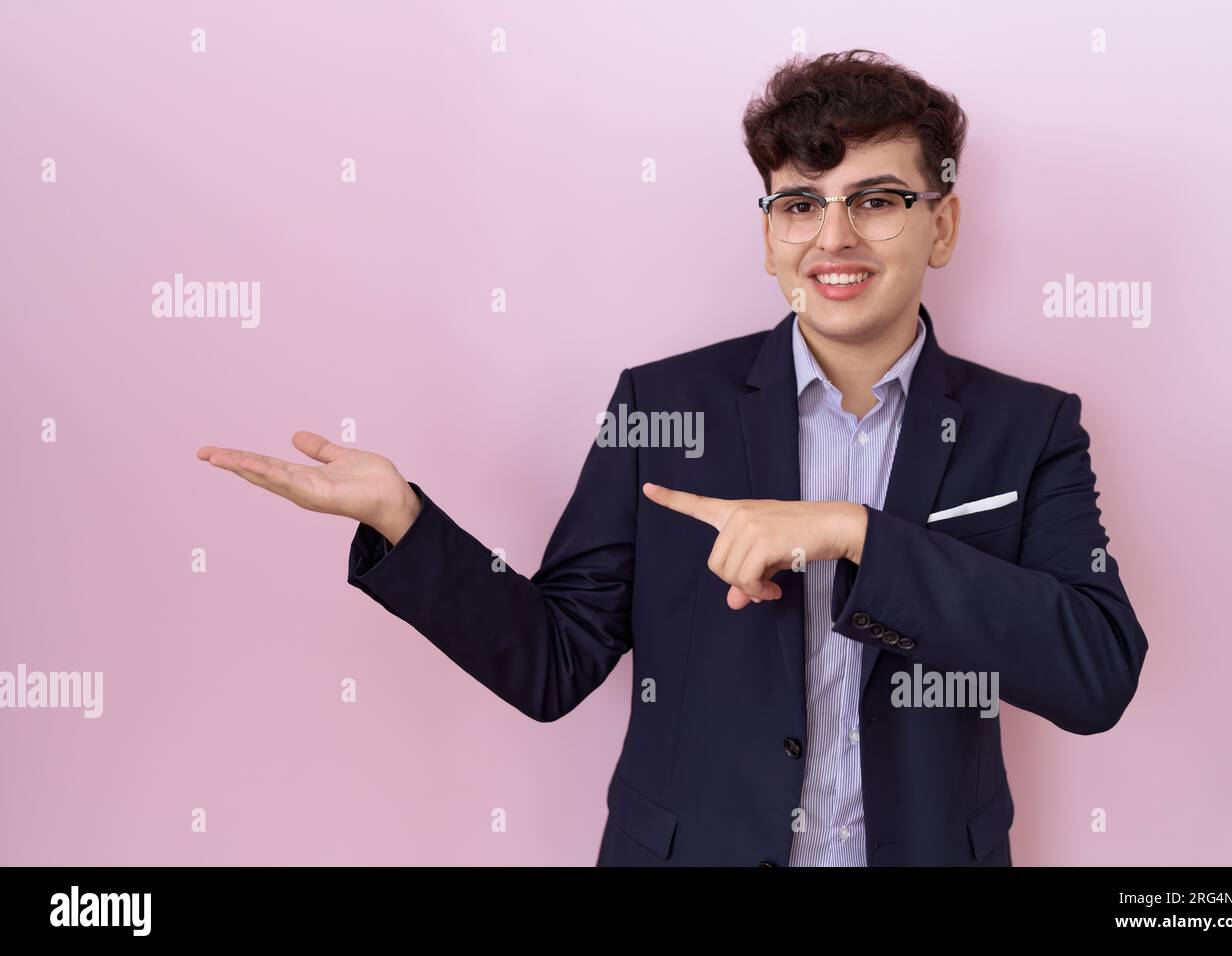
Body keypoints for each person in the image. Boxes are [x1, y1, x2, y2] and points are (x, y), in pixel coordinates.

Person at [197, 49, 1147, 866]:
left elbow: (1097, 672)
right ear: (769, 236)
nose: (835, 237)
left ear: (942, 225)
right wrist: (404, 521)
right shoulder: (663, 406)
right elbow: (553, 660)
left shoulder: (1031, 429)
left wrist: (855, 533)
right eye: (800, 204)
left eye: (879, 200)